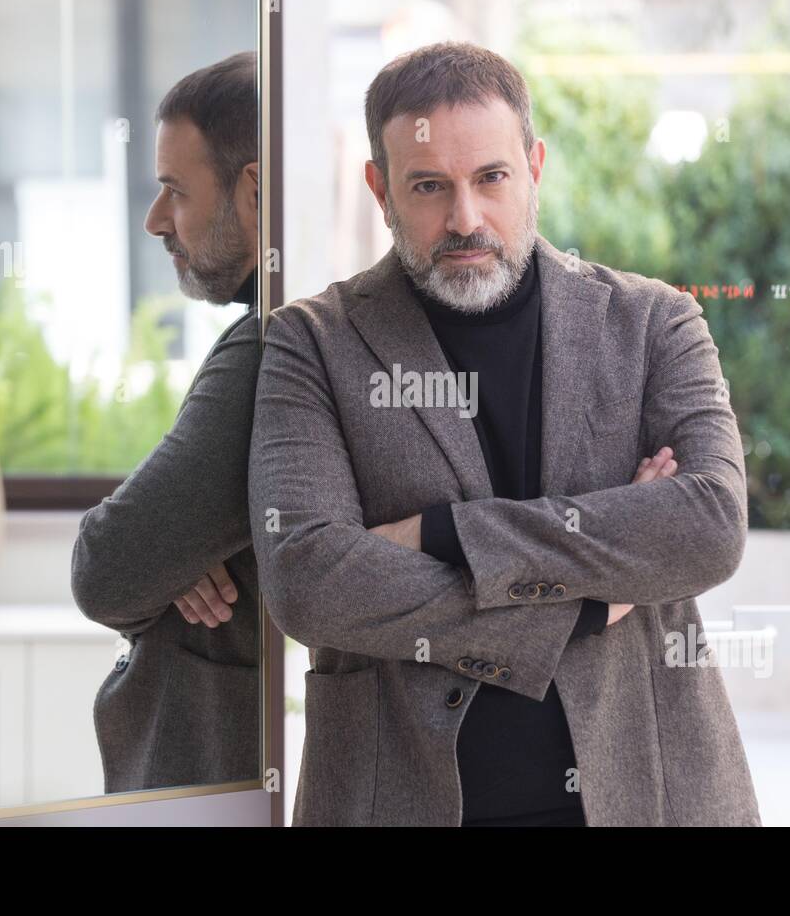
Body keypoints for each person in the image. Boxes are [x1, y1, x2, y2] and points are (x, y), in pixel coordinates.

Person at [248, 41, 760, 826]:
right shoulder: (311, 343)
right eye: (429, 187)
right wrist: (590, 604)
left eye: (491, 177)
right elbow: (308, 578)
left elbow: (709, 527)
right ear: (380, 188)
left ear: (535, 167)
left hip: (647, 795)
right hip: (400, 799)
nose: (465, 219)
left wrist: (437, 533)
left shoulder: (656, 323)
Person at [71, 52, 261, 792]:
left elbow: (107, 569)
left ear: (253, 193)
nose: (155, 220)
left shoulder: (263, 347)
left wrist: (167, 551)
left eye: (175, 192)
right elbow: (144, 550)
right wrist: (177, 549)